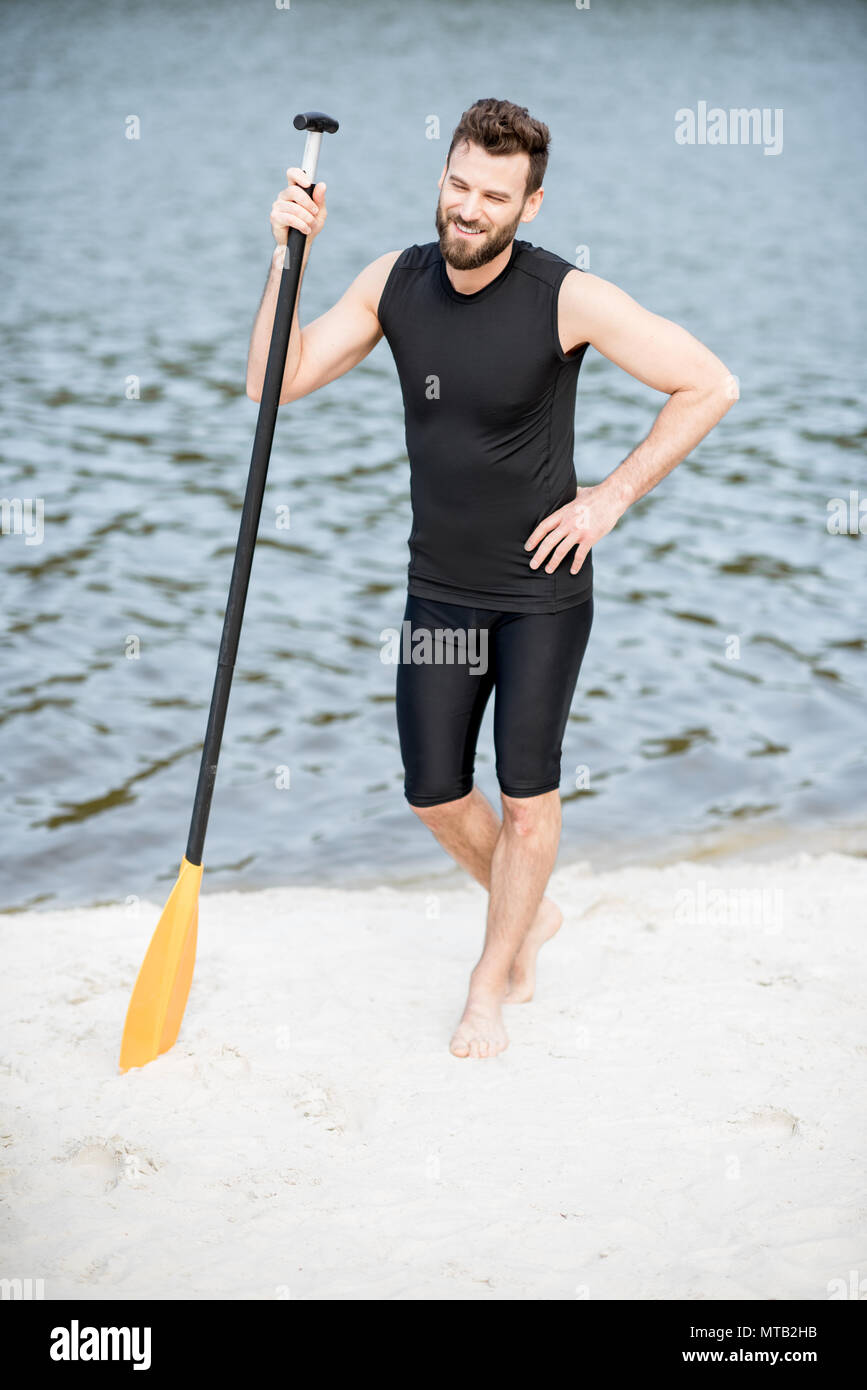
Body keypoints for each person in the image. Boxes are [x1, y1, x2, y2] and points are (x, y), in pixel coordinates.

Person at [246, 97, 737, 1060]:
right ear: (443, 178)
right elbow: (274, 379)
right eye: (458, 184)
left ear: (532, 204)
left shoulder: (567, 297)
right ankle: (530, 914)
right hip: (439, 586)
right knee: (432, 792)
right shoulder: (396, 280)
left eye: (493, 196)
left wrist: (609, 498)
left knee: (525, 798)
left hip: (539, 592)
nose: (469, 209)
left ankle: (490, 977)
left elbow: (708, 383)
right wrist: (284, 257)